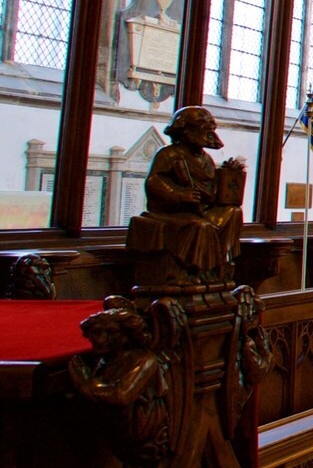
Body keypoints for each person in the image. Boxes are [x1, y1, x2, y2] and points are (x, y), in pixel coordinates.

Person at [127, 106, 248, 285]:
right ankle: (197, 272)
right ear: (185, 129)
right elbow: (154, 182)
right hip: (174, 212)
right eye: (201, 124)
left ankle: (220, 265)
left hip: (200, 209)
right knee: (201, 227)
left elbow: (211, 190)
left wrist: (228, 175)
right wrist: (179, 195)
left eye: (211, 125)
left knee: (233, 212)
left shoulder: (205, 158)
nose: (209, 130)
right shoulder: (169, 154)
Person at [70, 305, 171, 464]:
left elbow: (121, 395)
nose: (102, 339)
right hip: (116, 438)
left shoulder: (144, 360)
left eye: (112, 333)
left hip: (142, 441)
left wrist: (85, 385)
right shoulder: (105, 360)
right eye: (97, 332)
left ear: (128, 334)